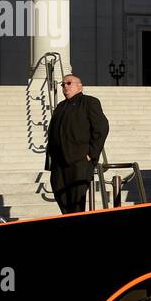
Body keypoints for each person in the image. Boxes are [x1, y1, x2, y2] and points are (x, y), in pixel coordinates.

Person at [45, 74, 109, 214]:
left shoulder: (89, 102)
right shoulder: (60, 106)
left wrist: (91, 154)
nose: (65, 86)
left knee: (76, 204)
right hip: (59, 163)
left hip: (79, 161)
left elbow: (101, 128)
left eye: (69, 83)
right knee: (60, 196)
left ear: (80, 86)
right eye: (63, 84)